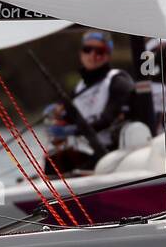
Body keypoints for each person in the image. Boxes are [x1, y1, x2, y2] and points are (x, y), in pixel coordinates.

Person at [44, 31, 138, 173]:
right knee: (51, 162)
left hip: (111, 152)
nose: (92, 55)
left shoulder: (118, 81)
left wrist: (73, 130)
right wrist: (57, 118)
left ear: (108, 54)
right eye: (87, 50)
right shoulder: (79, 88)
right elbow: (68, 119)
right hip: (85, 150)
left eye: (99, 51)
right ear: (81, 53)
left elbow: (107, 119)